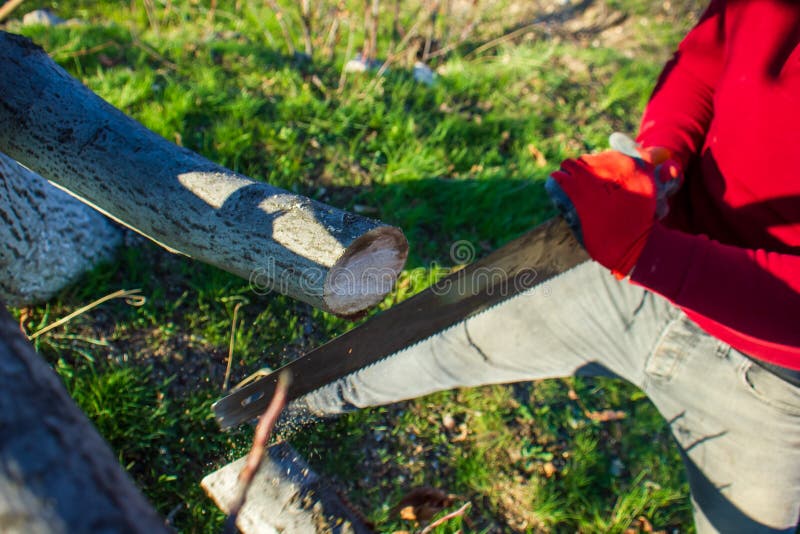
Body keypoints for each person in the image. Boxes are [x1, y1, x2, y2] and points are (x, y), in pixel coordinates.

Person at [296, 1, 800, 531]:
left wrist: (647, 255)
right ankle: (264, 415)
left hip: (768, 381)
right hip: (635, 265)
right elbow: (706, 61)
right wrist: (659, 157)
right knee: (405, 351)